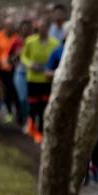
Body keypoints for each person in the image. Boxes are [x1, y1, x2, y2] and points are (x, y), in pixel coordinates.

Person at [20, 16, 60, 144]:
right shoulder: (30, 41)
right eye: (40, 27)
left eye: (45, 27)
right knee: (33, 106)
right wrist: (30, 64)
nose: (42, 29)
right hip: (32, 78)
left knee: (45, 107)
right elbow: (23, 57)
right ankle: (32, 127)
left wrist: (53, 71)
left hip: (47, 79)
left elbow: (58, 60)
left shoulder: (55, 43)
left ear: (48, 28)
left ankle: (41, 131)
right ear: (38, 28)